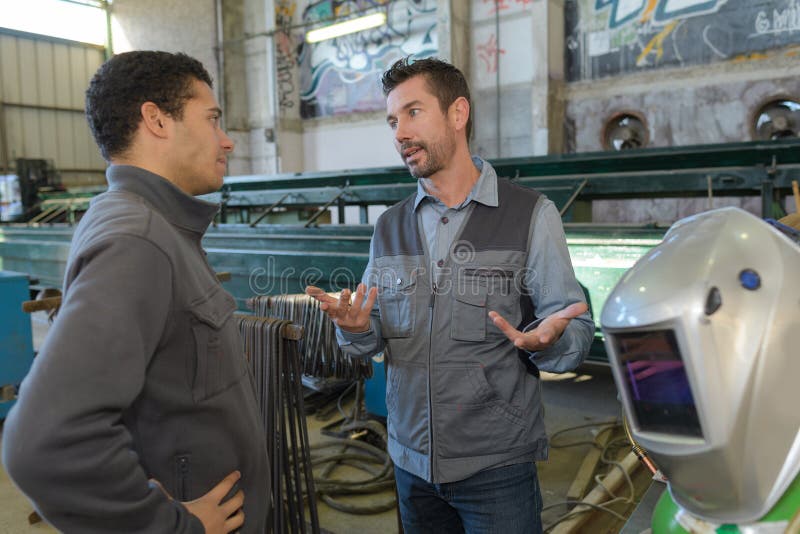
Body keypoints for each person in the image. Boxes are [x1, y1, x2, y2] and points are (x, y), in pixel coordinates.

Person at [307, 57, 595, 533]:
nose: (400, 132)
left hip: (497, 468)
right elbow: (374, 336)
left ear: (458, 113)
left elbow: (573, 328)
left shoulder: (530, 215)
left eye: (414, 113)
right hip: (410, 464)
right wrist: (358, 329)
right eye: (393, 121)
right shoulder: (390, 226)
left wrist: (551, 343)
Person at [2, 51, 268, 534]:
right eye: (211, 120)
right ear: (157, 120)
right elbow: (42, 443)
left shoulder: (145, 223)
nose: (226, 140)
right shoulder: (138, 239)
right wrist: (170, 526)